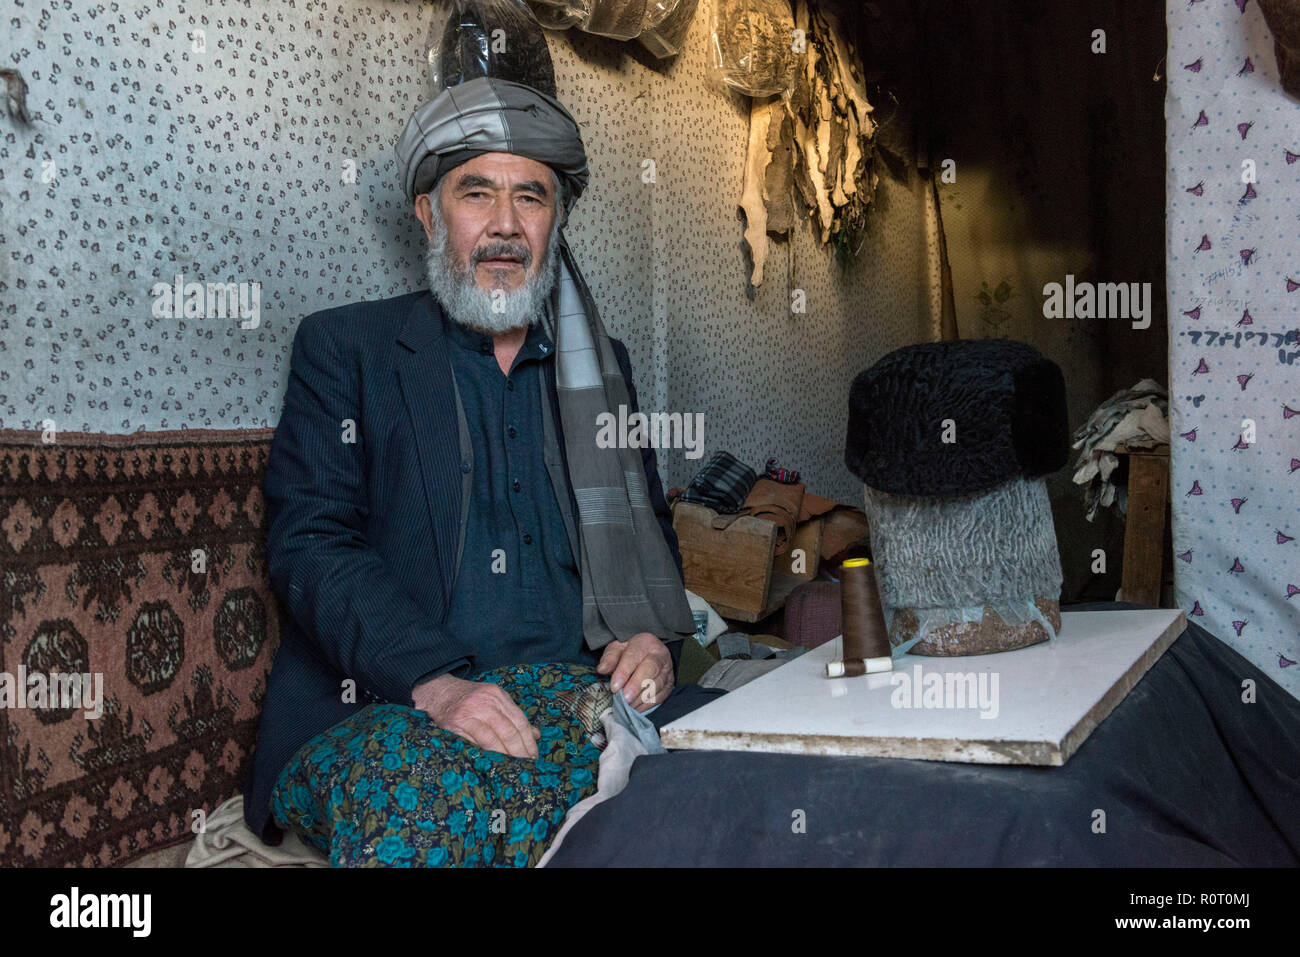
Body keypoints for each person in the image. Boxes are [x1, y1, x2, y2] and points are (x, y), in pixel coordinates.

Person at [242, 77, 705, 866]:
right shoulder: (347, 350)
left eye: (530, 198)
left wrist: (653, 637)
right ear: (429, 212)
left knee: (758, 759)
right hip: (397, 707)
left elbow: (651, 536)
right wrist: (438, 683)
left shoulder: (606, 370)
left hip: (580, 692)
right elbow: (310, 542)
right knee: (426, 803)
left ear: (556, 221)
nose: (503, 226)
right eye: (476, 193)